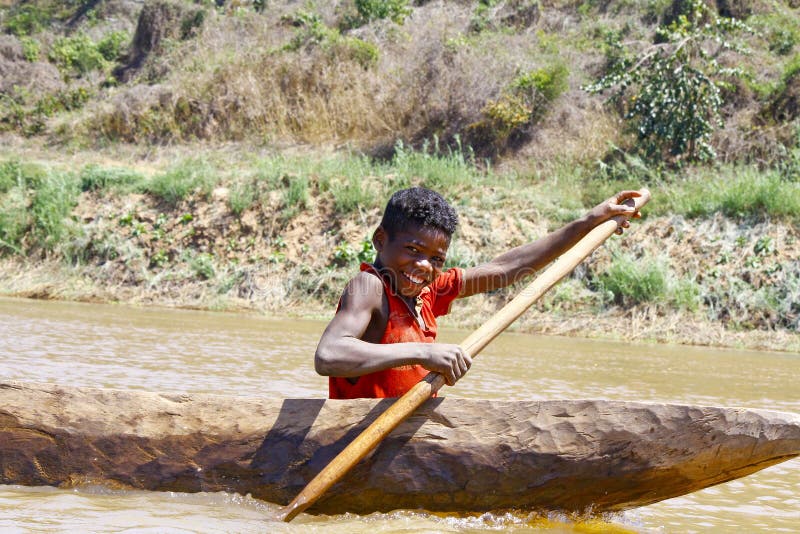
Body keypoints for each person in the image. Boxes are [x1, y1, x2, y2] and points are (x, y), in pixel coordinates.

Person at [315, 187, 642, 399]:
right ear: (380, 239)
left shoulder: (428, 292)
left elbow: (505, 269)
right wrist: (423, 353)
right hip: (359, 439)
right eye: (413, 250)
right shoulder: (368, 286)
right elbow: (329, 355)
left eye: (436, 259)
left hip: (405, 439)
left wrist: (588, 222)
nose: (424, 266)